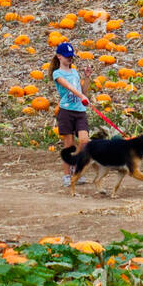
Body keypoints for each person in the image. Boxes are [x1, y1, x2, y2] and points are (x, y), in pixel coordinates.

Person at [49, 42, 90, 187]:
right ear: (59, 56)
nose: (69, 59)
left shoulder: (74, 72)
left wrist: (87, 78)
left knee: (84, 141)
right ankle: (67, 175)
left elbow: (83, 91)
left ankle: (76, 166)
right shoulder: (57, 74)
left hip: (80, 111)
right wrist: (81, 96)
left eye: (71, 56)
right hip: (66, 111)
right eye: (66, 56)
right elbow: (68, 87)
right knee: (69, 145)